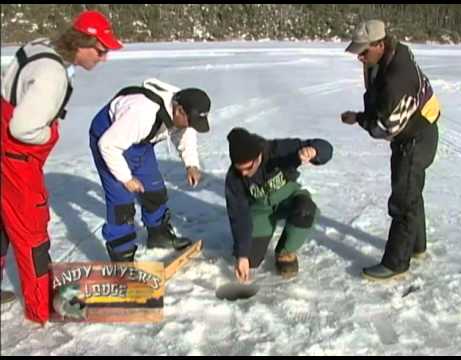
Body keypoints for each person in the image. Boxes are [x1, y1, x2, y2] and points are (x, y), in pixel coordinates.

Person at [0, 10, 122, 323]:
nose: (104, 57)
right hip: (16, 158)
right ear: (82, 43)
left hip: (7, 151)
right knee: (32, 236)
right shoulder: (52, 75)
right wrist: (49, 132)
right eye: (100, 49)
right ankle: (40, 309)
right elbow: (22, 128)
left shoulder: (41, 47)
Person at [341, 20, 440, 280]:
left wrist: (360, 119)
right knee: (412, 190)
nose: (360, 57)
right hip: (420, 130)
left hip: (416, 138)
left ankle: (397, 263)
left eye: (363, 51)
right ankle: (417, 246)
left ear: (380, 44)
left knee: (403, 200)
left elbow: (385, 128)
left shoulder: (396, 80)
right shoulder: (391, 53)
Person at [89, 78, 211, 262]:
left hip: (141, 142)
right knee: (121, 203)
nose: (190, 125)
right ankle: (122, 257)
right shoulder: (142, 114)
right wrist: (126, 178)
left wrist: (191, 163)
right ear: (179, 110)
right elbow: (107, 145)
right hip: (109, 138)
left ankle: (159, 235)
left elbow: (184, 132)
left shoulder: (183, 108)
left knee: (154, 190)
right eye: (190, 121)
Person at [225, 127, 333, 282]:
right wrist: (242, 254)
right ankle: (261, 236)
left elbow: (326, 147)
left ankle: (285, 251)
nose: (243, 173)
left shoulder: (279, 150)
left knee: (305, 210)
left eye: (247, 168)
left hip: (288, 198)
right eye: (239, 169)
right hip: (261, 210)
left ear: (258, 157)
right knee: (251, 260)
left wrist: (315, 151)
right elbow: (238, 215)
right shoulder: (234, 178)